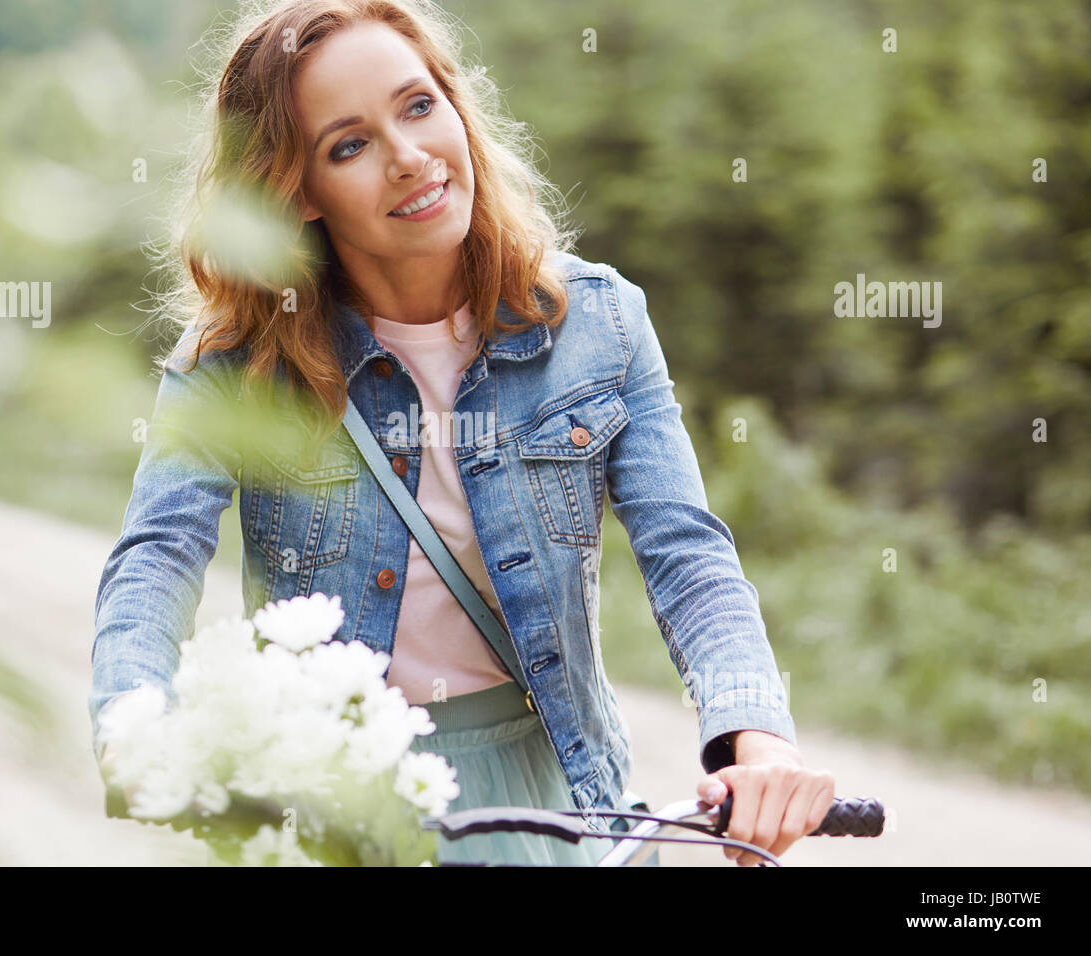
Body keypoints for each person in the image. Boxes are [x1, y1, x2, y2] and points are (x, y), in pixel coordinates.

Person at [90, 0, 834, 867]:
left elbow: (689, 556)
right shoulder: (236, 364)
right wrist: (134, 722)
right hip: (329, 807)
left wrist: (757, 739)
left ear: (455, 106)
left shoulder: (599, 323)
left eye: (417, 106)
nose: (409, 159)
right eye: (349, 145)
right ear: (297, 194)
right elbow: (156, 554)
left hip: (557, 803)